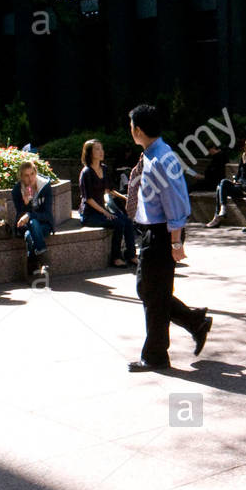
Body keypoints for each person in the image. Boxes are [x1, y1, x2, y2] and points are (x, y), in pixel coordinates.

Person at [126, 103, 211, 371]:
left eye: (131, 127)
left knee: (153, 293)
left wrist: (176, 242)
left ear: (138, 130)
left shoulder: (162, 158)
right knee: (150, 291)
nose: (130, 131)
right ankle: (194, 322)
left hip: (162, 233)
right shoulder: (153, 154)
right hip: (154, 231)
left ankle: (155, 356)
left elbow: (176, 203)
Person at [79, 138, 136, 267]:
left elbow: (109, 190)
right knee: (118, 223)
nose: (101, 151)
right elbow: (88, 199)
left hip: (102, 211)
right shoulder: (86, 172)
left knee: (127, 220)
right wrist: (105, 212)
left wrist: (125, 198)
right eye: (97, 149)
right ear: (89, 153)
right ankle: (116, 258)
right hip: (90, 214)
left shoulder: (103, 168)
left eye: (102, 148)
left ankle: (131, 255)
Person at [11, 160, 55, 277]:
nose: (30, 179)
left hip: (44, 224)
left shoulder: (45, 187)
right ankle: (44, 260)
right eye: (26, 175)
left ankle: (32, 273)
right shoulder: (17, 190)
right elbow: (21, 218)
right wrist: (26, 204)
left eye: (32, 174)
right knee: (31, 226)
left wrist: (30, 215)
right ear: (21, 177)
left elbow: (47, 214)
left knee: (30, 235)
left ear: (36, 173)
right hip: (24, 226)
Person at [205, 137, 246, 227]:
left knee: (219, 188)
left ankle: (217, 218)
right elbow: (239, 174)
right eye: (245, 148)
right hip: (238, 186)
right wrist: (235, 180)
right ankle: (221, 210)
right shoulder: (243, 157)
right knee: (222, 184)